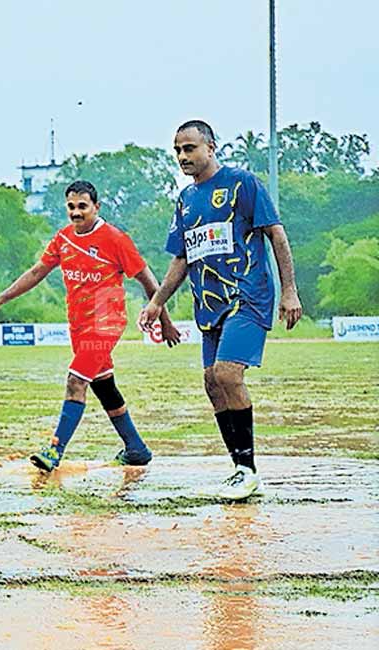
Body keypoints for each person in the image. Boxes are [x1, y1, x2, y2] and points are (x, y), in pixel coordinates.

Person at [138, 120, 302, 501]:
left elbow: (276, 233)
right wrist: (157, 301)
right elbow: (182, 258)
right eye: (177, 150)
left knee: (228, 375)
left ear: (211, 147)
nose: (183, 156)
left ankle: (248, 470)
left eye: (190, 148)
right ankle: (239, 469)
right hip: (208, 305)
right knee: (212, 383)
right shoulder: (185, 200)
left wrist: (289, 291)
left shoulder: (242, 183)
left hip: (247, 295)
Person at [0, 180, 180, 471]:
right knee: (104, 386)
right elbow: (36, 272)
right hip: (78, 323)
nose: (76, 212)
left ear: (97, 207)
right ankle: (136, 448)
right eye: (71, 207)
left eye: (83, 206)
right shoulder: (63, 239)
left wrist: (165, 321)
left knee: (76, 380)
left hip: (106, 319)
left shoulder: (116, 239)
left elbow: (148, 281)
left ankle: (55, 451)